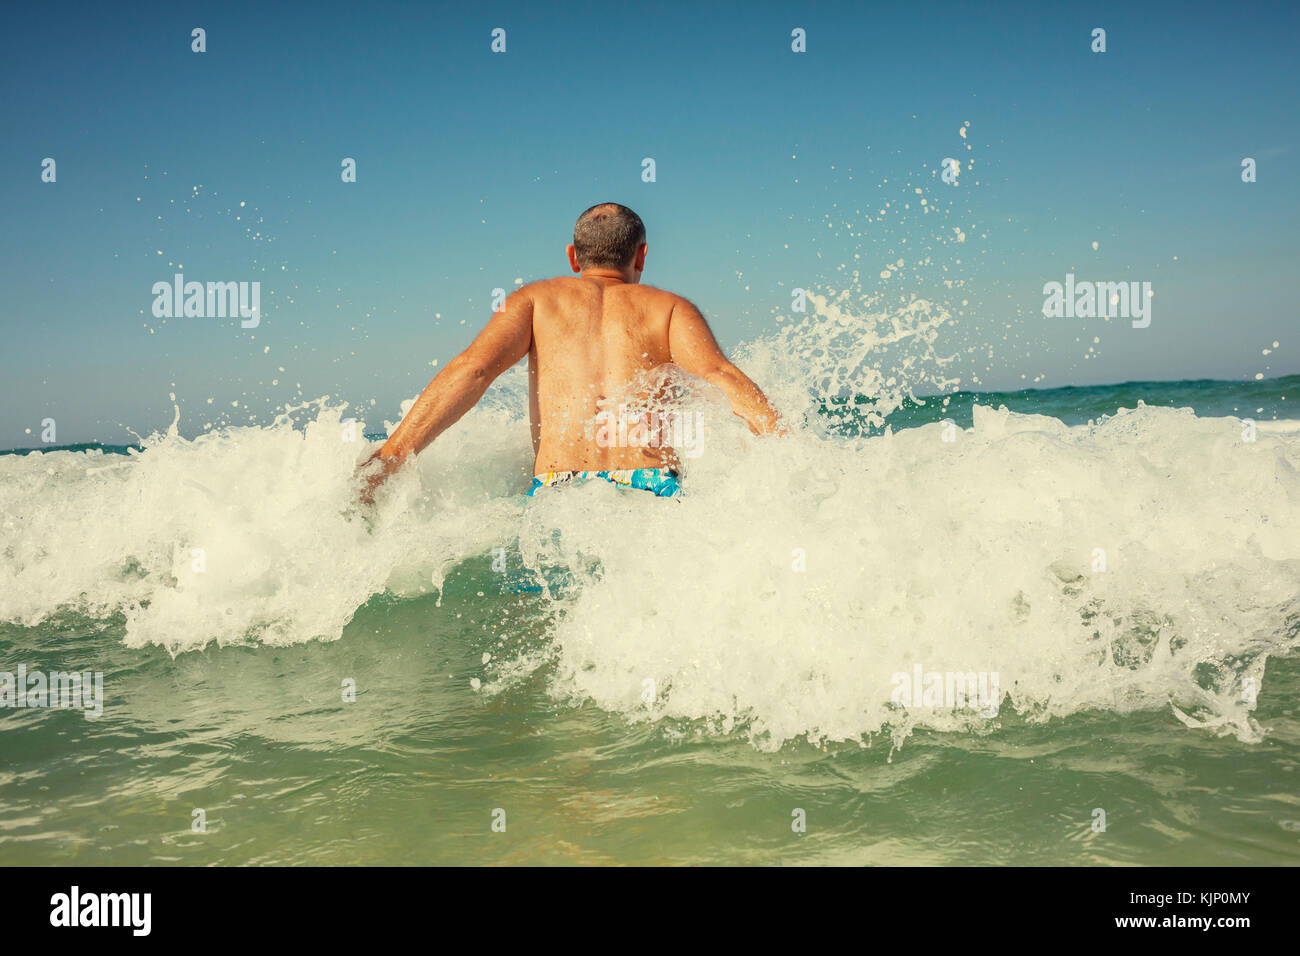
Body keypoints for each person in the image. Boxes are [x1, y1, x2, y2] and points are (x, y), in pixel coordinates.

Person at [360, 203, 783, 501]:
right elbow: (719, 375)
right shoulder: (670, 308)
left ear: (572, 257)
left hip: (560, 493)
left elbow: (474, 370)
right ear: (641, 255)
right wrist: (790, 454)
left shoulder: (534, 300)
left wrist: (392, 455)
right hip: (652, 487)